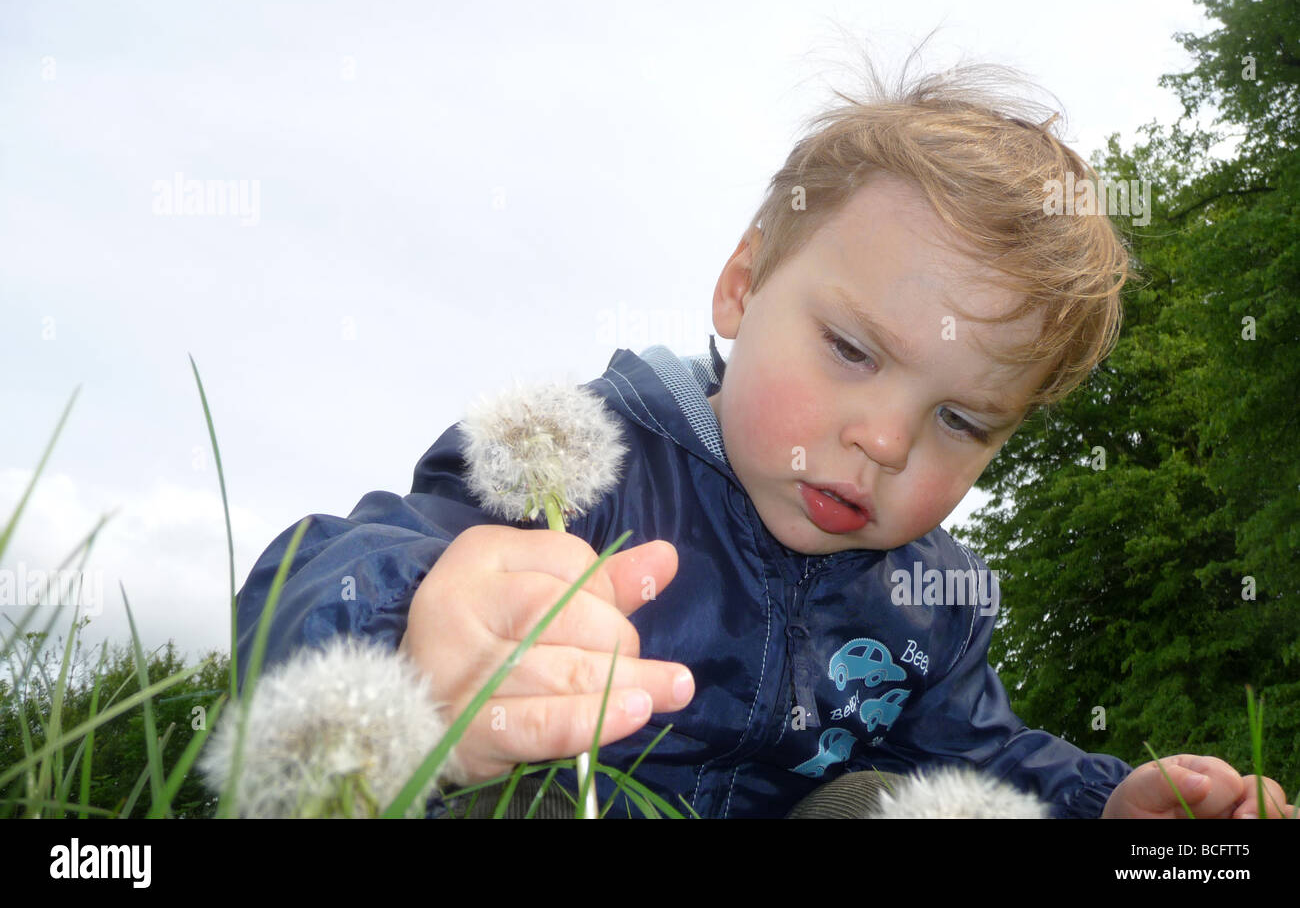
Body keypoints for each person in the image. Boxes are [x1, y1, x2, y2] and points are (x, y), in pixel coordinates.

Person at [233, 61, 1290, 819]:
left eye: (959, 419)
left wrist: (1109, 802)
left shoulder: (937, 601)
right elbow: (309, 575)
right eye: (849, 348)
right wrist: (418, 615)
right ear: (742, 285)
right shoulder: (584, 463)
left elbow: (982, 752)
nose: (881, 438)